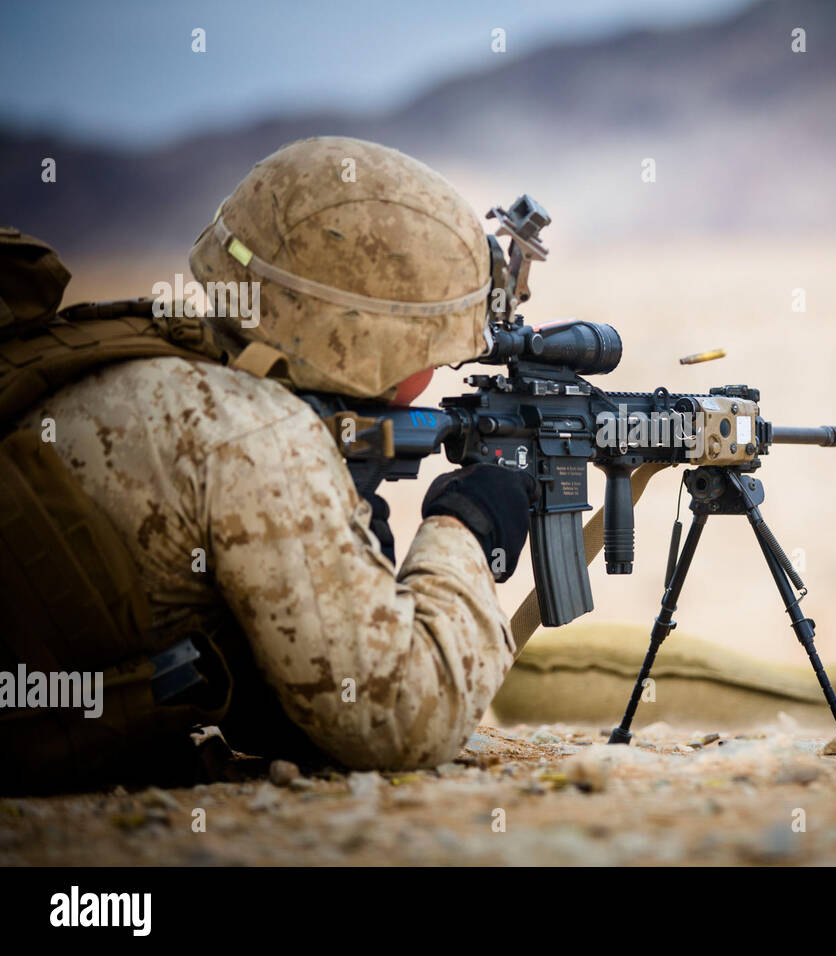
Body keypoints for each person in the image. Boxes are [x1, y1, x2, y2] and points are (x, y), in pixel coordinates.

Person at [10, 136, 535, 777]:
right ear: (379, 347)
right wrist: (466, 528)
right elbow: (396, 721)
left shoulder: (146, 355)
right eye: (437, 354)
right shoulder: (259, 438)